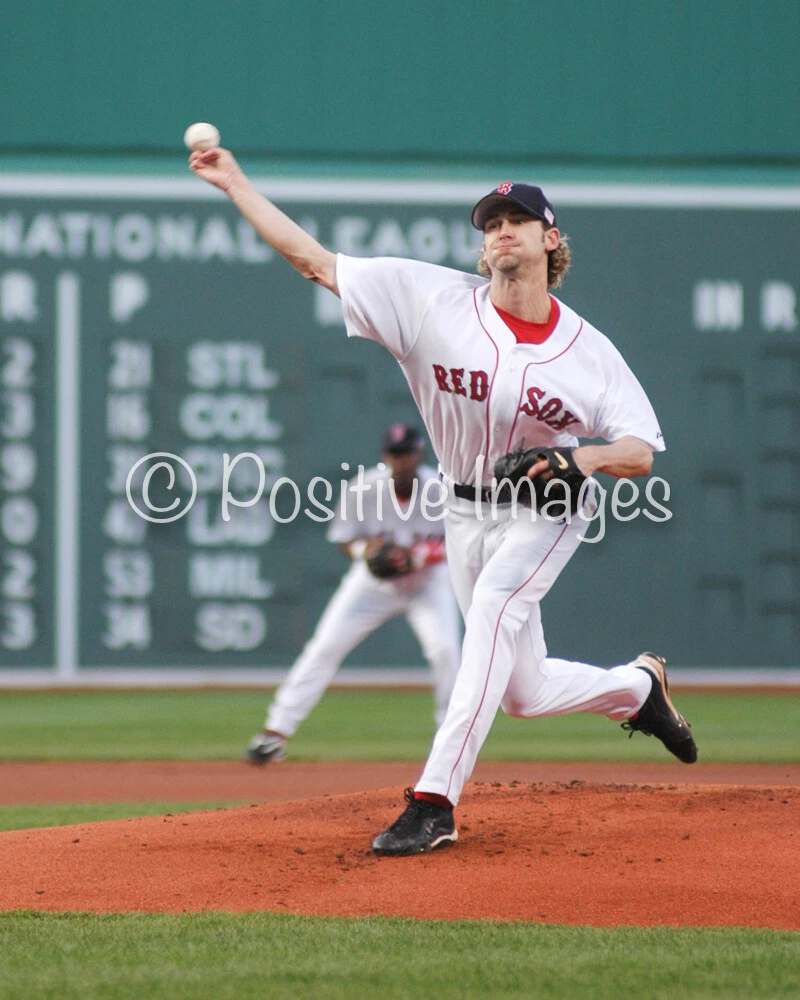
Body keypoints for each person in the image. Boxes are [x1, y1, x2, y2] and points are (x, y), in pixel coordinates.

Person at [190, 148, 697, 856]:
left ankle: (435, 801)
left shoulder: (589, 351)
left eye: (519, 219)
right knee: (521, 691)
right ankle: (637, 690)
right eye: (491, 222)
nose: (502, 231)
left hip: (546, 509)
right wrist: (234, 183)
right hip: (463, 509)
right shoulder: (428, 299)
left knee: (491, 609)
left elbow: (640, 452)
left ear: (551, 240)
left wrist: (579, 456)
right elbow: (313, 260)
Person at [245, 423, 461, 764]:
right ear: (385, 456)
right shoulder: (363, 488)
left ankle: (450, 745)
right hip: (372, 585)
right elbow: (345, 538)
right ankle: (275, 732)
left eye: (407, 453)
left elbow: (462, 542)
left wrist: (419, 556)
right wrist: (367, 553)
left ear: (419, 454)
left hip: (427, 584)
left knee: (446, 652)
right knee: (324, 647)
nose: (402, 460)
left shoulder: (441, 489)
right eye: (396, 453)